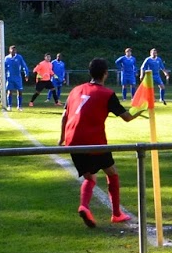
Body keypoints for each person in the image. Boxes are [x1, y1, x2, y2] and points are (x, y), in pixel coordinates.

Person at [59, 57, 139, 228]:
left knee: (90, 176)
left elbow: (64, 116)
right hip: (94, 141)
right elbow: (127, 117)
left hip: (72, 141)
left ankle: (84, 206)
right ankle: (116, 214)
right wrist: (141, 109)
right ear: (105, 74)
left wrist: (61, 139)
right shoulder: (107, 94)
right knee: (112, 173)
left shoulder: (75, 90)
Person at [3, 44, 29, 110]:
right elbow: (4, 67)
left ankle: (19, 106)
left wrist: (26, 73)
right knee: (9, 91)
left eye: (14, 50)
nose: (13, 51)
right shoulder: (6, 58)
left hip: (18, 77)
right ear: (9, 51)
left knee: (19, 91)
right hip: (9, 77)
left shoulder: (19, 57)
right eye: (12, 50)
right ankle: (9, 106)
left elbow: (24, 65)